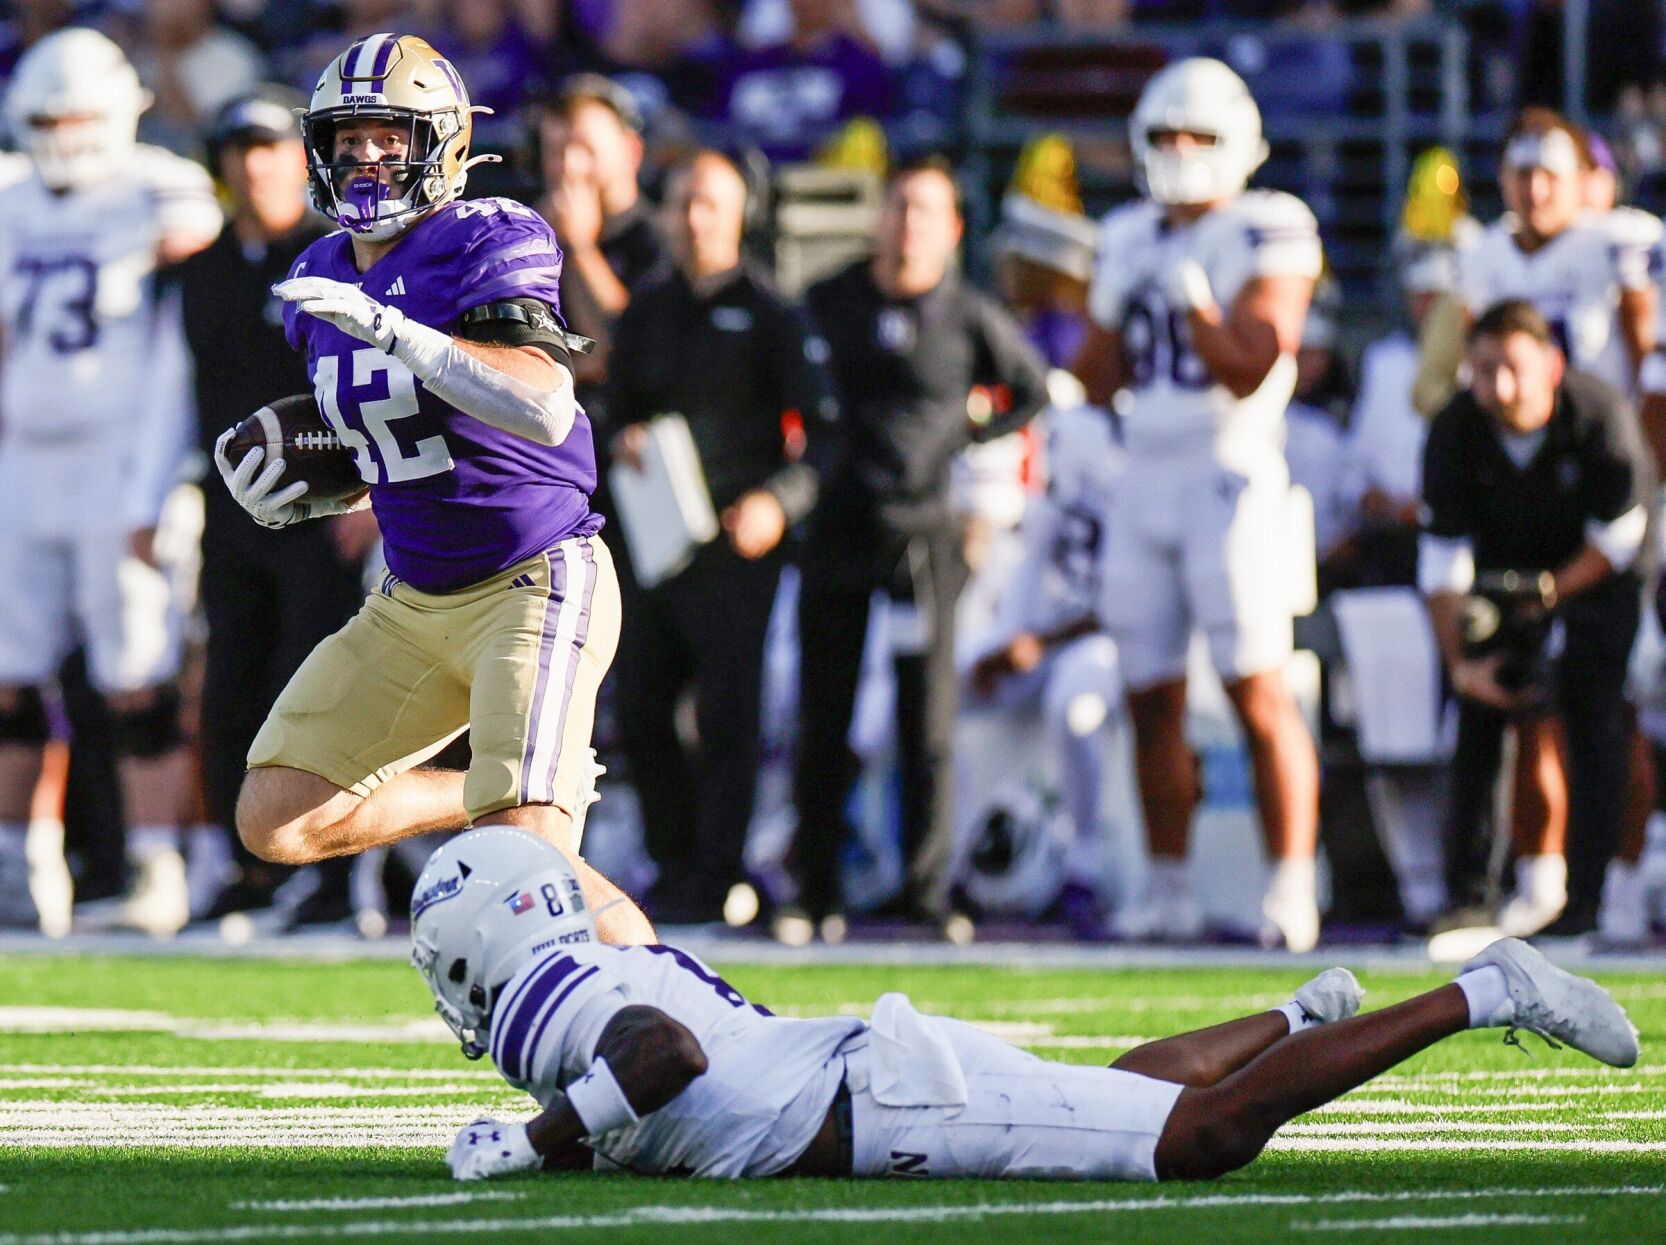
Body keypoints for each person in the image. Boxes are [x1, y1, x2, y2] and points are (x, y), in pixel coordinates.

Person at [409, 827, 1639, 1184]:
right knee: (1126, 1093)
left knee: (1194, 1144)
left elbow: (662, 1057)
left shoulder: (561, 1005)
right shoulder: (599, 962)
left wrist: (531, 1138)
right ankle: (1291, 1017)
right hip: (869, 1081)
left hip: (882, 1102)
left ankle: (1485, 990)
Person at [213, 32, 653, 945]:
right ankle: (486, 793)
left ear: (444, 145)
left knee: (526, 866)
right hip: (413, 597)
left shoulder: (488, 235)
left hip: (534, 578)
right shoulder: (317, 272)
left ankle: (683, 1013)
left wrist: (403, 334)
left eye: (390, 136)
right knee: (276, 815)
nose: (365, 157)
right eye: (348, 138)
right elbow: (401, 441)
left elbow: (543, 401)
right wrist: (321, 485)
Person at [1074, 58, 1324, 950]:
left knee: (1259, 685)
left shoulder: (1271, 224)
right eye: (1165, 136)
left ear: (1240, 145)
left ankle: (1290, 884)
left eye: (1200, 137)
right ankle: (1170, 888)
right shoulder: (1129, 233)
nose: (1181, 152)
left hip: (1230, 470)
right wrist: (1095, 304)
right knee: (1149, 693)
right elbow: (1096, 378)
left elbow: (1251, 361)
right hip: (1145, 471)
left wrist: (1195, 307)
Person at [784, 156, 1049, 941]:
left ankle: (926, 891)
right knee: (822, 716)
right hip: (836, 528)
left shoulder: (968, 315)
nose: (909, 226)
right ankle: (815, 891)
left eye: (927, 212)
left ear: (953, 230)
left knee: (925, 721)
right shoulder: (828, 300)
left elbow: (1033, 388)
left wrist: (968, 436)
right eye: (899, 207)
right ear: (879, 217)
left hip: (923, 534)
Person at [0, 28, 222, 933]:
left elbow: (202, 228)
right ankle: (18, 862)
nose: (60, 132)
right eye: (45, 116)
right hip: (25, 450)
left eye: (76, 114)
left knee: (138, 674)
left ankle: (155, 861)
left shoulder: (156, 186)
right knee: (10, 674)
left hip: (123, 454)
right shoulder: (11, 198)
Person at [606, 150, 837, 924]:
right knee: (639, 704)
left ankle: (719, 876)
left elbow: (824, 434)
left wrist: (778, 501)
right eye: (682, 203)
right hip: (655, 538)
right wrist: (623, 436)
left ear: (741, 215)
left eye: (711, 203)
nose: (694, 218)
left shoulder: (774, 311)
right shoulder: (647, 309)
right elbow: (610, 406)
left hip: (736, 549)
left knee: (728, 713)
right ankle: (673, 867)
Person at [175, 86, 373, 924]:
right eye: (240, 149)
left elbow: (373, 379)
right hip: (233, 513)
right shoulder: (202, 269)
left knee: (316, 687)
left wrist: (373, 491)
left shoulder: (331, 258)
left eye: (270, 148)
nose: (254, 166)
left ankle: (330, 873)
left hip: (322, 514)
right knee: (231, 690)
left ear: (302, 162)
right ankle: (248, 866)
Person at [1421, 299, 1655, 938]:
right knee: (1477, 711)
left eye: (1514, 368)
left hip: (1592, 577)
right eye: (1484, 368)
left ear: (1552, 366)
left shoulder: (1599, 414)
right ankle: (1471, 898)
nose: (1499, 387)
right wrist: (1461, 664)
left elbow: (1619, 538)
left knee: (1595, 717)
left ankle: (1592, 901)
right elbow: (1440, 562)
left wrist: (1551, 591)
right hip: (1502, 579)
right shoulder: (1456, 429)